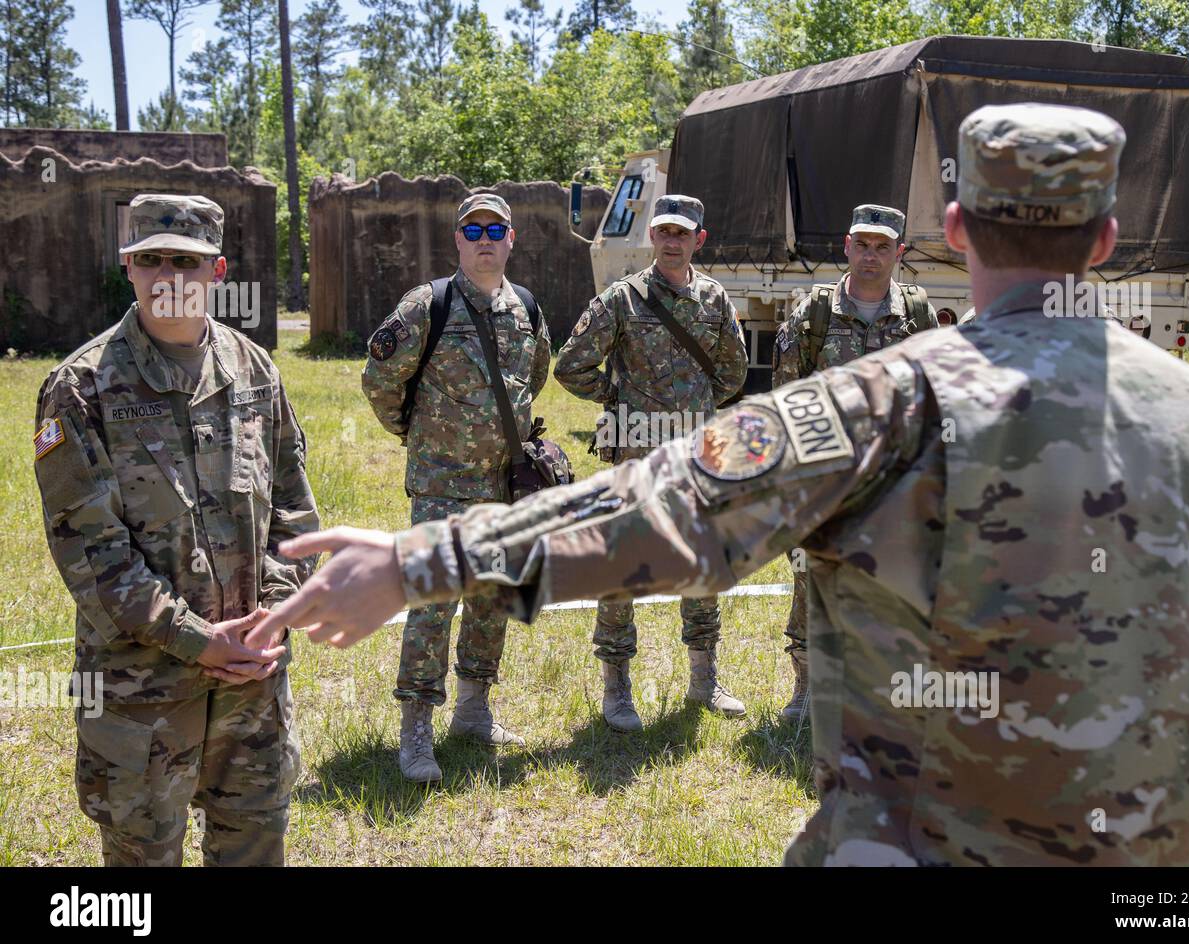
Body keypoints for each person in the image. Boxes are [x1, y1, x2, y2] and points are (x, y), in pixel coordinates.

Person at [248, 104, 1189, 866]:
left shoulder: (892, 396)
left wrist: (418, 559)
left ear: (956, 231)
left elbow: (665, 506)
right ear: (1107, 240)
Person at [33, 193, 319, 866]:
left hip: (252, 679)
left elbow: (294, 510)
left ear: (216, 272)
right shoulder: (82, 388)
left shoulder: (254, 372)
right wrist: (195, 640)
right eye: (152, 259)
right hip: (143, 694)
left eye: (185, 262)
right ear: (127, 268)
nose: (169, 277)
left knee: (253, 846)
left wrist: (269, 617)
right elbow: (92, 553)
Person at [361, 193, 551, 783]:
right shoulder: (429, 305)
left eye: (497, 228)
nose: (485, 238)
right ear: (458, 240)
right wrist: (419, 436)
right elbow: (380, 381)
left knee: (492, 597)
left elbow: (534, 377)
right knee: (432, 603)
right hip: (442, 483)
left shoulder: (526, 308)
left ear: (512, 238)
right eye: (474, 229)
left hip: (504, 485)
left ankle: (473, 710)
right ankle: (416, 726)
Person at [553, 194, 748, 731]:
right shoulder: (623, 298)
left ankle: (704, 680)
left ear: (698, 240)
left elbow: (733, 372)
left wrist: (698, 408)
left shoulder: (713, 298)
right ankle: (617, 689)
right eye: (662, 231)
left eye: (681, 233)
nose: (670, 241)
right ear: (651, 237)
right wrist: (620, 400)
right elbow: (571, 366)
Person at [770, 203, 937, 722]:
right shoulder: (813, 313)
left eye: (883, 246)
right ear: (847, 246)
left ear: (899, 254)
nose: (871, 255)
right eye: (862, 245)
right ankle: (806, 687)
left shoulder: (917, 313)